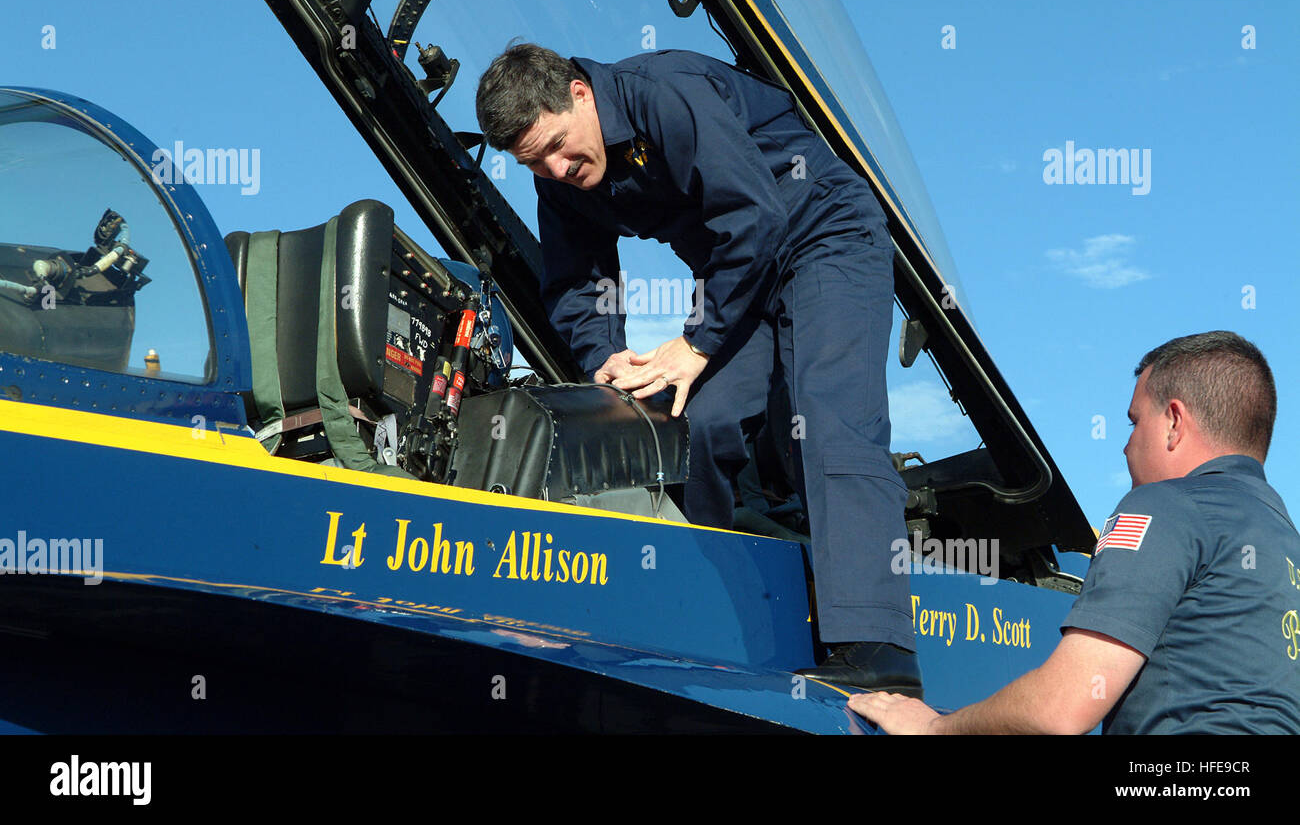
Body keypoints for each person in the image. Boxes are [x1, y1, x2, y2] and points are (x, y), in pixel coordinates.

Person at [475, 43, 919, 692]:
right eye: (534, 162)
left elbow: (754, 213)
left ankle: (879, 653)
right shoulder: (559, 175)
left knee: (828, 422)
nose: (557, 168)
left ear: (579, 93)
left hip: (822, 236)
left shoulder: (666, 91)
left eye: (560, 147)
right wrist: (605, 357)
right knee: (698, 423)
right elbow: (575, 279)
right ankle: (706, 620)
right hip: (737, 275)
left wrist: (701, 343)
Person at [851, 331, 1300, 733]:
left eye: (1135, 421)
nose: (1126, 446)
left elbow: (1061, 710)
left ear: (1175, 423)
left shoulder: (1166, 506)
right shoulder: (1284, 543)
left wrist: (933, 728)